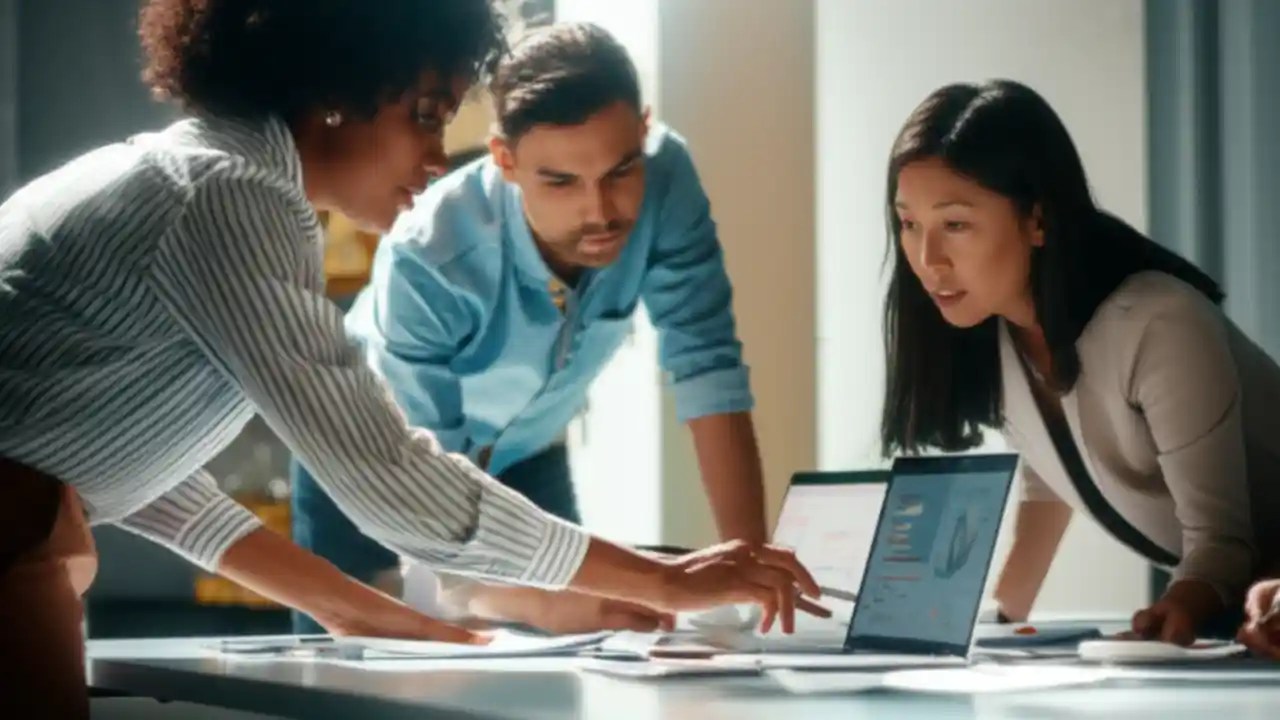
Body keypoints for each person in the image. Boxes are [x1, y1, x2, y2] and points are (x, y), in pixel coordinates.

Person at [0, 2, 820, 715]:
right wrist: (663, 580)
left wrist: (349, 605)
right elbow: (394, 480)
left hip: (36, 526)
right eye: (426, 114)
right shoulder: (229, 197)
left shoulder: (205, 178)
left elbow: (142, 477)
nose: (437, 158)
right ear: (338, 87)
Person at [289, 22, 780, 634]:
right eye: (561, 182)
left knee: (568, 673)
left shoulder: (667, 176)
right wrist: (541, 600)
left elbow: (708, 367)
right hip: (375, 466)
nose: (600, 212)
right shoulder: (428, 256)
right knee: (367, 686)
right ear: (506, 159)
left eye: (619, 171)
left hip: (527, 458)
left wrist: (751, 574)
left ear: (644, 129)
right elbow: (426, 503)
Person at [877, 79, 1280, 647]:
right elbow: (1052, 478)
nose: (926, 259)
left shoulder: (1157, 323)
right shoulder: (999, 333)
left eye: (956, 224)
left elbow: (1223, 542)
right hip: (1251, 607)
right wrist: (997, 620)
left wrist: (1174, 612)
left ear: (1037, 219)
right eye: (909, 223)